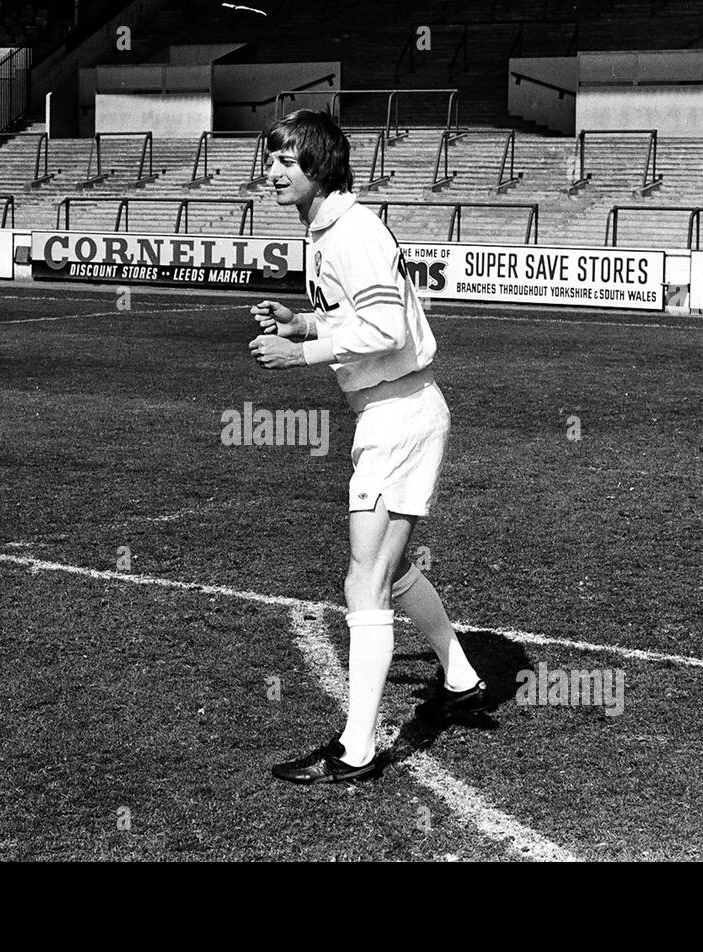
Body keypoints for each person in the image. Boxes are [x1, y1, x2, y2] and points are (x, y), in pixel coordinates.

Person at [248, 109, 491, 784]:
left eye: (284, 163)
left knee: (366, 580)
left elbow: (384, 329)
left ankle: (356, 750)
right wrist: (302, 324)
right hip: (392, 411)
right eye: (270, 161)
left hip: (399, 413)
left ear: (318, 168)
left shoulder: (352, 232)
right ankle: (464, 675)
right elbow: (358, 313)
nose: (271, 174)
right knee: (393, 566)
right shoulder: (328, 230)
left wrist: (300, 357)